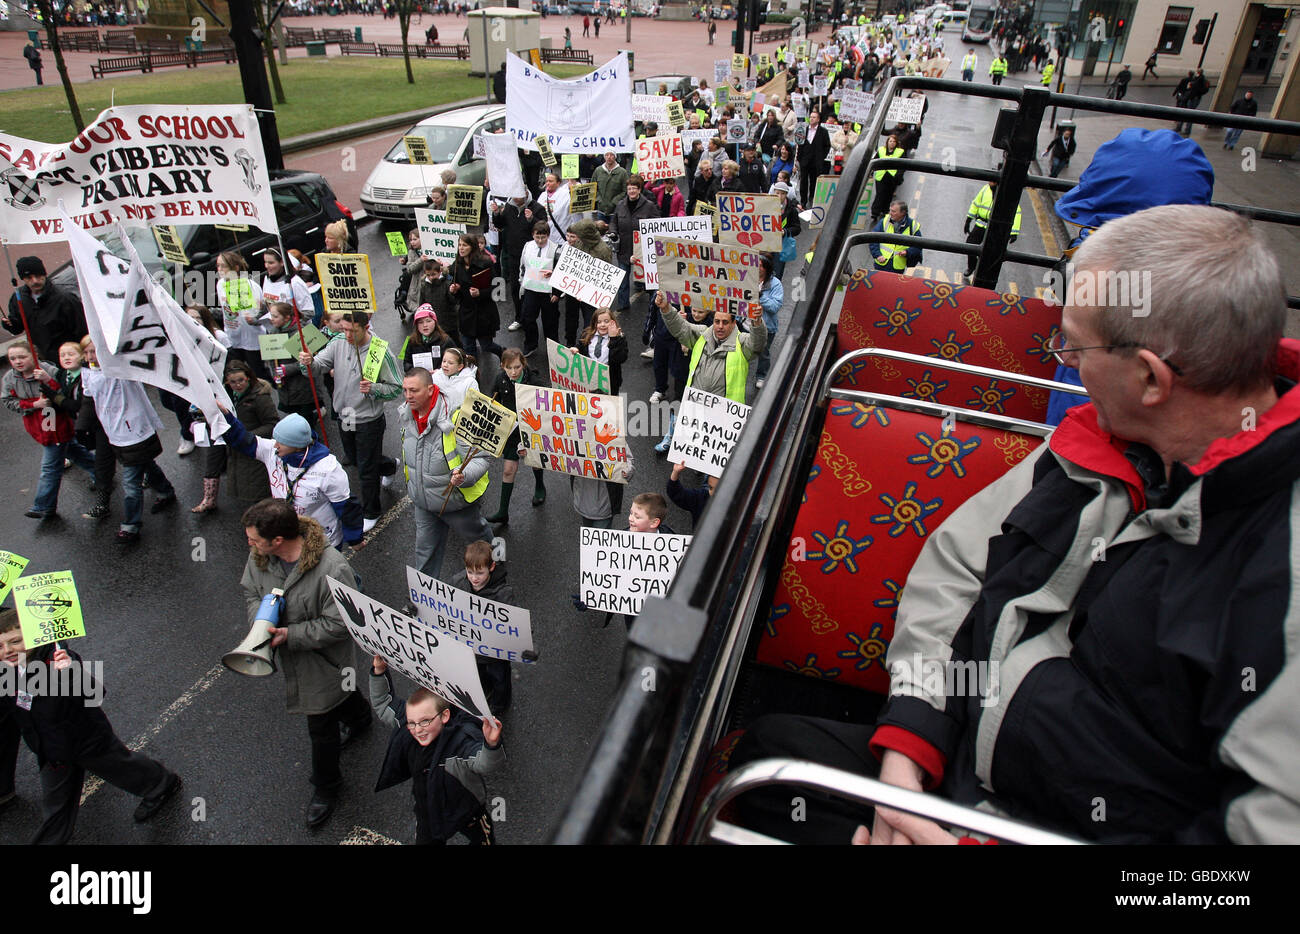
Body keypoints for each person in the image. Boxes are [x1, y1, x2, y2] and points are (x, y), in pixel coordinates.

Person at [730, 204, 1300, 844]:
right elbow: (959, 566)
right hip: (962, 757)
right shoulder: (1097, 443)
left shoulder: (1280, 574)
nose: (1063, 359)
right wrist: (910, 744)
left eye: (1074, 344)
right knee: (768, 762)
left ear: (1149, 377)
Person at [241, 498, 371, 829]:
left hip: (321, 659)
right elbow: (250, 592)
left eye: (255, 539)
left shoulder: (332, 568)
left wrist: (290, 635)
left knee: (321, 726)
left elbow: (340, 624)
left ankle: (326, 787)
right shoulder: (261, 555)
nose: (250, 544)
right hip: (303, 657)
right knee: (336, 697)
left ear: (278, 541)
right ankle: (359, 716)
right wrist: (260, 619)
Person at [0, 611, 182, 844]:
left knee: (120, 766)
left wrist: (69, 673)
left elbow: (94, 693)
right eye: (1, 645)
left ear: (37, 637)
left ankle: (161, 784)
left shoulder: (61, 659)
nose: (7, 650)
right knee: (56, 805)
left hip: (86, 740)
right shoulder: (6, 670)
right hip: (51, 750)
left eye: (16, 641)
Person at [369, 656, 503, 845]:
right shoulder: (409, 728)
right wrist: (379, 672)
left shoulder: (460, 742)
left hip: (468, 812)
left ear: (445, 716)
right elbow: (384, 703)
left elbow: (485, 764)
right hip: (428, 812)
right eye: (412, 723)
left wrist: (491, 744)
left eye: (425, 722)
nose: (417, 729)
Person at [299, 312, 402, 533]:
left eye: (351, 331)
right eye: (343, 329)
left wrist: (374, 389)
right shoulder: (337, 342)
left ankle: (371, 512)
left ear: (366, 328)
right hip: (344, 414)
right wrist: (308, 362)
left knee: (366, 468)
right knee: (354, 458)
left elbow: (396, 388)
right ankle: (389, 465)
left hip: (368, 419)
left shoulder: (380, 351)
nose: (346, 334)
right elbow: (318, 367)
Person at [399, 367, 494, 581]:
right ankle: (423, 601)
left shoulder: (457, 418)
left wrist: (464, 475)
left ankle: (496, 573)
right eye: (405, 390)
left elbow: (480, 459)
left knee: (481, 544)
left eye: (413, 391)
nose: (408, 396)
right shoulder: (405, 415)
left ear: (431, 390)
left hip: (455, 503)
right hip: (423, 503)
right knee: (424, 553)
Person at [222, 411, 361, 547]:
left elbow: (346, 506)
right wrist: (226, 415)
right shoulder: (273, 452)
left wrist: (355, 539)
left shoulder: (328, 469)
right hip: (287, 537)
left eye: (281, 442)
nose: (275, 445)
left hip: (321, 541)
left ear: (297, 445)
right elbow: (243, 441)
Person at [81, 365, 177, 544]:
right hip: (113, 433)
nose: (92, 356)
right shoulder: (87, 372)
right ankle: (165, 491)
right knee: (146, 464)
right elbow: (89, 398)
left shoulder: (121, 367)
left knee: (131, 483)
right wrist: (82, 426)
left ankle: (130, 526)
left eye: (94, 351)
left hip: (135, 431)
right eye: (87, 352)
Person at [3, 342, 94, 519]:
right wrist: (32, 404)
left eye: (22, 357)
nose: (18, 362)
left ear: (34, 356)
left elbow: (67, 394)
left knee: (50, 465)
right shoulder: (9, 378)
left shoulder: (49, 371)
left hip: (52, 418)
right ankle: (101, 473)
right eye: (13, 359)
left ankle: (43, 505)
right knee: (73, 450)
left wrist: (48, 381)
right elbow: (7, 400)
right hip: (35, 424)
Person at [656, 289, 766, 408]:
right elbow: (681, 328)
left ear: (734, 323)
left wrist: (757, 322)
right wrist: (666, 309)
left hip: (724, 412)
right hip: (695, 407)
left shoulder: (742, 342)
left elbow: (758, 344)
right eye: (717, 321)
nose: (720, 327)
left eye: (725, 322)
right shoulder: (702, 334)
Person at [448, 540, 517, 710]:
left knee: (500, 678)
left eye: (479, 573)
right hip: (472, 648)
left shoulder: (503, 593)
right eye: (470, 572)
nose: (474, 578)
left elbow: (514, 623)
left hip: (495, 653)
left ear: (491, 567)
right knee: (478, 674)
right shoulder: (458, 582)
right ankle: (485, 692)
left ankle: (500, 706)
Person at [4, 256, 87, 368]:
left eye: (38, 276)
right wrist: (10, 324)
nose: (35, 281)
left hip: (66, 360)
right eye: (29, 277)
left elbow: (82, 331)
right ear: (23, 279)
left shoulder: (65, 299)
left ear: (44, 274)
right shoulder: (18, 298)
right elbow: (18, 327)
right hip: (41, 361)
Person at [450, 234, 505, 361]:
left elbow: (499, 290)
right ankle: (473, 375)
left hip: (484, 314)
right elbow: (456, 293)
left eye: (464, 245)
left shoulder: (485, 263)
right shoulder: (457, 265)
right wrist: (454, 290)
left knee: (486, 346)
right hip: (466, 313)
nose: (461, 248)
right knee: (468, 348)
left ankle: (503, 353)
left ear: (472, 247)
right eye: (459, 245)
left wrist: (480, 293)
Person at [216, 251, 266, 377]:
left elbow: (262, 311)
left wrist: (253, 317)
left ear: (235, 268)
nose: (220, 269)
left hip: (252, 339)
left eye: (223, 266)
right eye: (218, 266)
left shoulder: (250, 286)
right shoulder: (221, 284)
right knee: (235, 374)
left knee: (258, 374)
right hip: (233, 336)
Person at [612, 180, 658, 315]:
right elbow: (614, 221)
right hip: (624, 248)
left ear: (639, 190)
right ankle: (622, 304)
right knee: (623, 280)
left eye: (634, 188)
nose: (631, 191)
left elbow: (656, 223)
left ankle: (653, 304)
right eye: (629, 189)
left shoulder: (649, 206)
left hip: (642, 250)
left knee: (648, 280)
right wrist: (613, 231)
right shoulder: (620, 205)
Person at [962, 179, 1020, 281]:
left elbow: (1016, 212)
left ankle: (983, 273)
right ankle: (972, 266)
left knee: (990, 252)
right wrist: (968, 220)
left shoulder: (1005, 194)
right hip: (980, 224)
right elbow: (976, 203)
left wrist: (1014, 232)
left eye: (992, 181)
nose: (989, 182)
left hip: (994, 228)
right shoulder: (985, 189)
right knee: (970, 245)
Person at [518, 221, 557, 356]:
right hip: (531, 289)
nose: (540, 240)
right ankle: (531, 344)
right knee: (528, 318)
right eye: (537, 237)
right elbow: (523, 265)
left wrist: (556, 292)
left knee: (550, 321)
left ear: (548, 236)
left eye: (543, 237)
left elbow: (559, 270)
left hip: (547, 292)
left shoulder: (555, 249)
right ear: (533, 235)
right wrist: (521, 283)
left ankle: (552, 348)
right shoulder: (528, 246)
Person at [752, 256, 785, 389]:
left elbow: (775, 307)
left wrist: (760, 297)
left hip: (765, 326)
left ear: (766, 268)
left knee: (763, 353)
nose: (756, 267)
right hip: (745, 324)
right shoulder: (747, 278)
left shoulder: (775, 284)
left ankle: (761, 376)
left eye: (759, 265)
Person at [401, 304, 451, 372]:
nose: (425, 325)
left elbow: (454, 362)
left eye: (428, 321)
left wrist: (440, 371)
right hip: (420, 379)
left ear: (435, 322)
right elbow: (406, 364)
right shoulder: (411, 341)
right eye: (420, 322)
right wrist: (417, 371)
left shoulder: (445, 340)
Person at [797, 111, 832, 208]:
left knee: (814, 181)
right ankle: (803, 201)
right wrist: (799, 158)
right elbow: (799, 144)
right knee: (803, 181)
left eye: (814, 117)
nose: (812, 119)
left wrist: (821, 157)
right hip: (805, 160)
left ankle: (812, 198)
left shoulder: (823, 132)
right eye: (811, 117)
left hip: (816, 162)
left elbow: (827, 146)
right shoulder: (803, 130)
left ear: (818, 119)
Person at [869, 133, 905, 221]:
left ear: (896, 143)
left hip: (892, 177)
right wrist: (871, 171)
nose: (892, 143)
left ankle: (885, 210)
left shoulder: (900, 152)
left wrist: (898, 175)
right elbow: (874, 161)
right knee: (880, 194)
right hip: (881, 176)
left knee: (888, 195)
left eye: (894, 141)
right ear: (887, 142)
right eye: (890, 141)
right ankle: (875, 212)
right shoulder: (881, 150)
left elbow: (903, 165)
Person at [594, 151, 631, 219]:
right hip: (601, 210)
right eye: (607, 155)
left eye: (611, 155)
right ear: (604, 157)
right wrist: (599, 199)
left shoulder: (622, 172)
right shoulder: (598, 171)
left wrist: (615, 201)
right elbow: (593, 188)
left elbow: (625, 190)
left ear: (615, 157)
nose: (609, 157)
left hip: (616, 211)